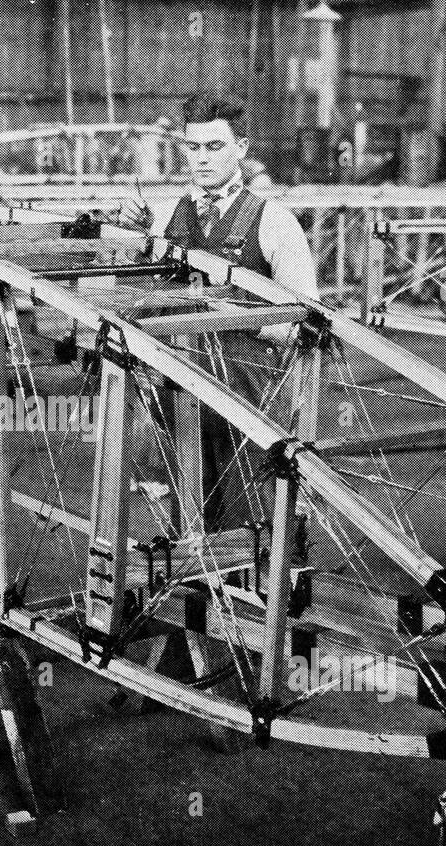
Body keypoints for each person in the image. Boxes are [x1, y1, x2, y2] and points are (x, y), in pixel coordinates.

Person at [119, 94, 318, 533]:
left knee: (252, 521)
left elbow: (304, 323)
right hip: (182, 392)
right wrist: (131, 238)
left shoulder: (275, 223)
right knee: (188, 519)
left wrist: (235, 319)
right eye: (193, 148)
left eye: (214, 147)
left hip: (248, 396)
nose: (202, 159)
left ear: (241, 149)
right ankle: (197, 596)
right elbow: (143, 298)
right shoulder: (167, 216)